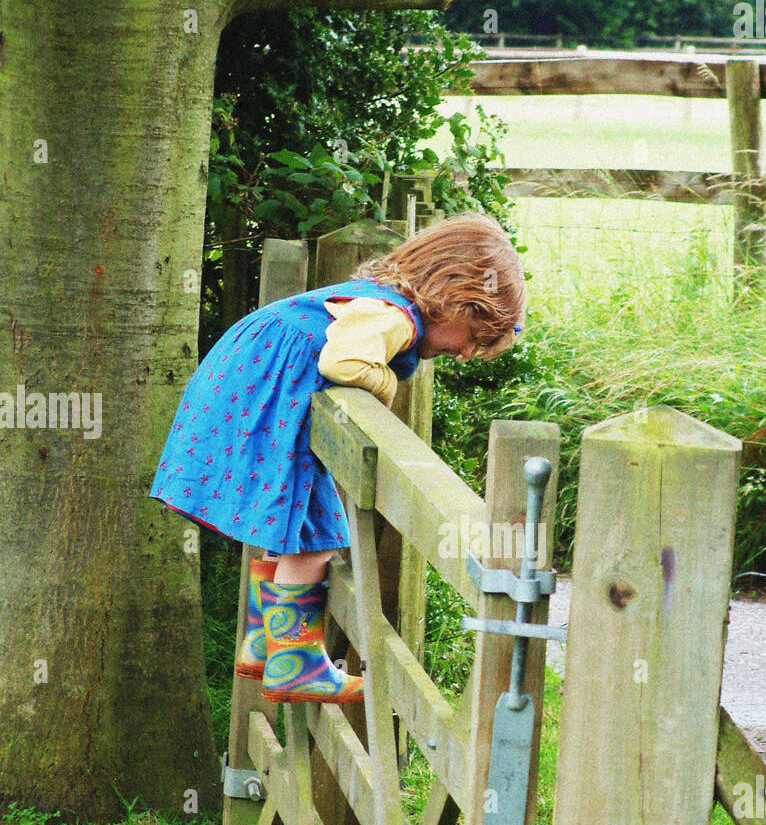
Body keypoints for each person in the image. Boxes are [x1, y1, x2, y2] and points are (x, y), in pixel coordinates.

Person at [150, 212, 526, 705]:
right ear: (452, 297)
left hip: (258, 386)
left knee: (293, 515)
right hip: (267, 393)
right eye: (472, 336)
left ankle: (265, 643)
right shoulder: (392, 316)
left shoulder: (378, 303)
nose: (464, 353)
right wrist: (387, 384)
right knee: (316, 532)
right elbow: (343, 363)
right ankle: (294, 665)